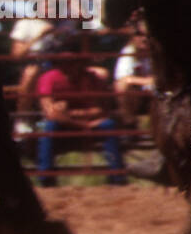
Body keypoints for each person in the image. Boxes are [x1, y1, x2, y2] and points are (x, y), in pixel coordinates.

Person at [35, 30, 126, 186]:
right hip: (69, 126)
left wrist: (67, 112)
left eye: (72, 61)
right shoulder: (48, 78)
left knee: (109, 125)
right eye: (62, 61)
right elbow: (51, 113)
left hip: (86, 122)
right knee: (49, 126)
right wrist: (84, 124)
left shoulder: (93, 78)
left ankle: (117, 177)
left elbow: (101, 110)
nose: (67, 66)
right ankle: (46, 178)